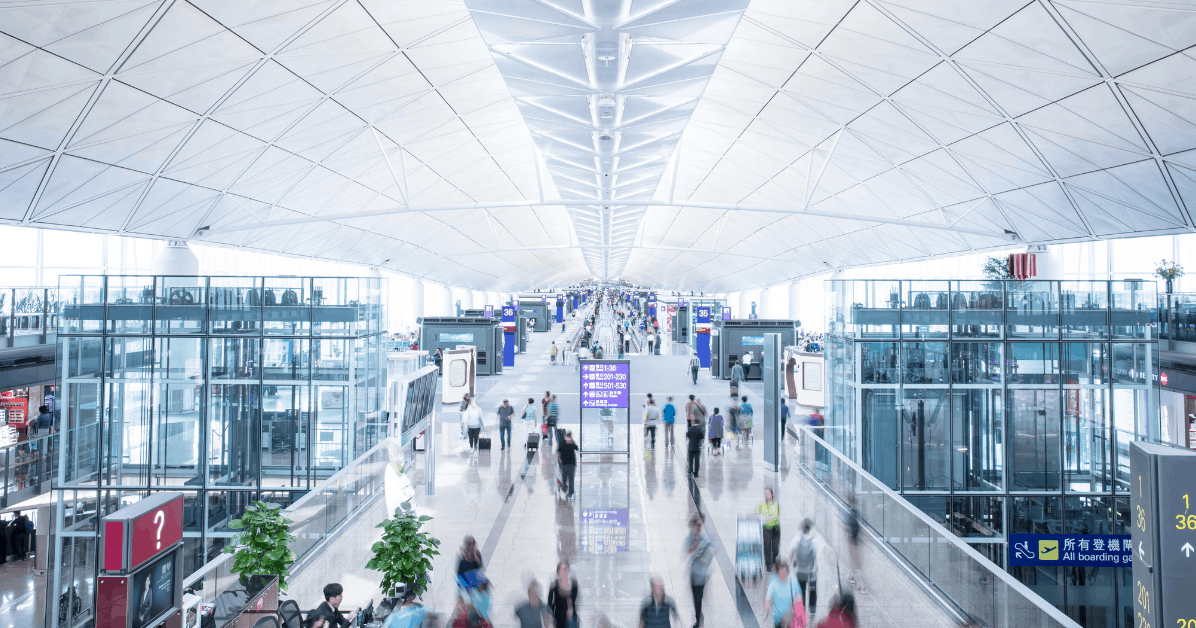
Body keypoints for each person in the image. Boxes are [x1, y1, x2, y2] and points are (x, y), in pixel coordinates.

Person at [686, 516, 713, 628]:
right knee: (695, 597)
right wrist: (695, 544)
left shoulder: (705, 539)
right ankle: (699, 615)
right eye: (696, 525)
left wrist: (703, 560)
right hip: (693, 572)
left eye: (699, 526)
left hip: (702, 574)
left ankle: (698, 620)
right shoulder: (690, 538)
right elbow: (688, 550)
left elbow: (710, 555)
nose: (698, 528)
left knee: (698, 597)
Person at [790, 518, 819, 614]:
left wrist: (792, 563)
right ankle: (812, 609)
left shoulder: (796, 539)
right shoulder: (814, 541)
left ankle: (802, 608)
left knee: (801, 590)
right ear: (810, 529)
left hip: (800, 571)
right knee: (813, 591)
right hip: (811, 572)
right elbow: (816, 554)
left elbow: (791, 554)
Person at [764, 561, 802, 628]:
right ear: (777, 573)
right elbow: (768, 596)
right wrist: (767, 605)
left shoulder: (793, 581)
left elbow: (798, 595)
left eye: (785, 572)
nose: (783, 575)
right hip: (777, 617)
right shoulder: (774, 583)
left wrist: (797, 607)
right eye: (781, 573)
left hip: (789, 616)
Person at [548, 560, 579, 628]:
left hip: (571, 619)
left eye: (565, 569)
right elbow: (550, 604)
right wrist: (551, 618)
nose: (564, 572)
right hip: (559, 618)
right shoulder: (554, 585)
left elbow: (576, 600)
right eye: (561, 570)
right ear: (558, 572)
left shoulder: (574, 585)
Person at [757, 488, 781, 572]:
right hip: (766, 528)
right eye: (765, 494)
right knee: (767, 547)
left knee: (775, 547)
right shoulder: (762, 505)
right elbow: (756, 512)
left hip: (776, 528)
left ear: (772, 494)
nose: (767, 495)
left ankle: (774, 559)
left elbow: (778, 515)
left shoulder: (776, 505)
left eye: (768, 493)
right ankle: (768, 565)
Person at [558, 430, 578, 501]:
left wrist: (559, 459)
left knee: (565, 478)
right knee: (570, 478)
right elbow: (576, 447)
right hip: (571, 464)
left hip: (565, 464)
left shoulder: (563, 443)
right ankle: (569, 492)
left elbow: (558, 451)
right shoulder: (570, 443)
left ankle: (566, 490)